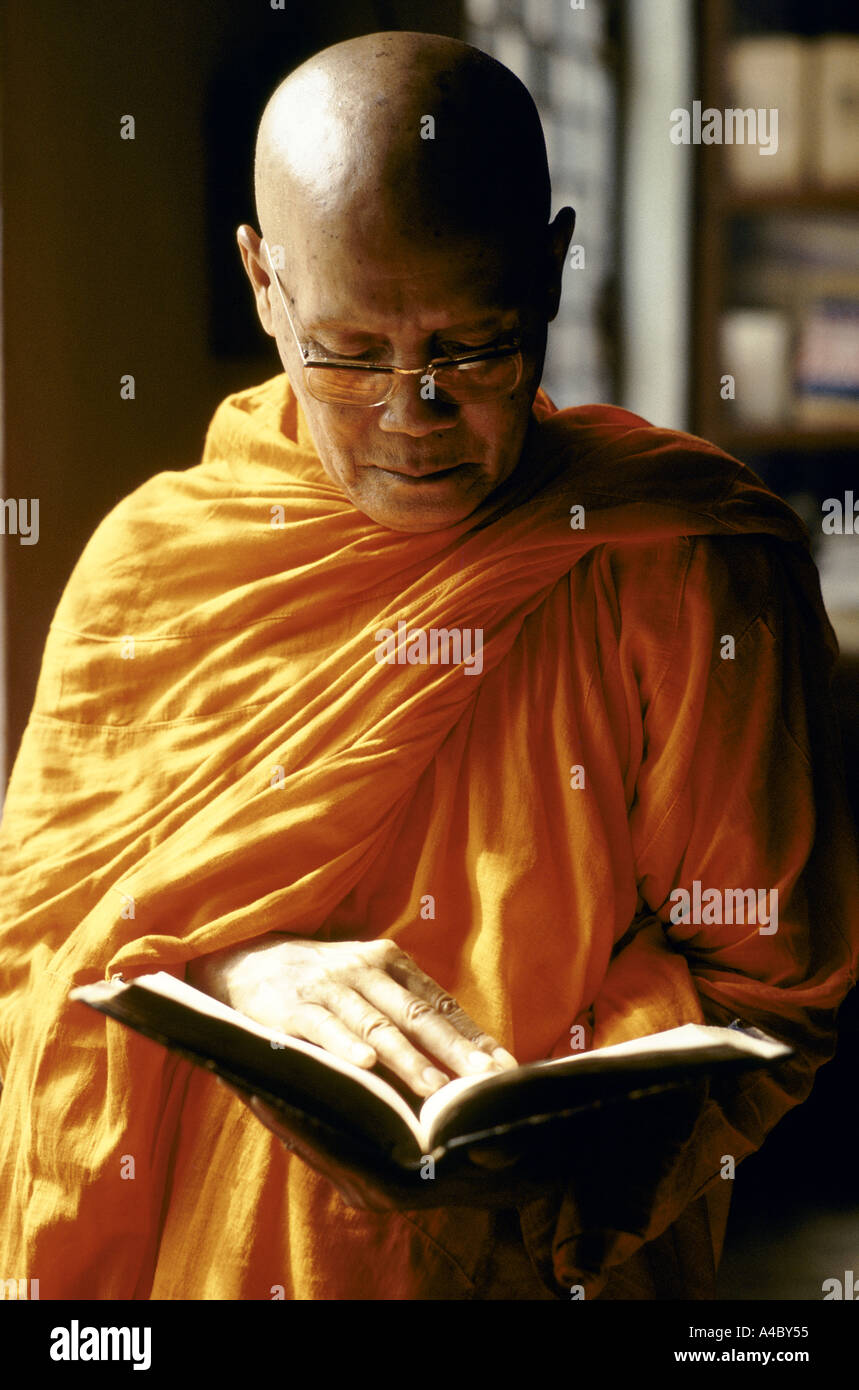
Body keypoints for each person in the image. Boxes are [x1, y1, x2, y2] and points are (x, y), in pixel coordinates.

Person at [0, 29, 856, 1302]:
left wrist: (518, 1121)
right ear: (262, 284)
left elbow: (769, 985)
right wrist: (235, 967)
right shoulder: (154, 568)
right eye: (348, 354)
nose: (414, 411)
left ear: (554, 273)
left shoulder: (682, 560)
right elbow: (44, 945)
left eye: (475, 344)